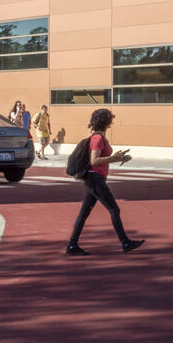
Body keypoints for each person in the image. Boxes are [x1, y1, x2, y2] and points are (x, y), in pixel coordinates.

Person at [66, 108, 144, 255]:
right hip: (95, 178)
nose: (112, 122)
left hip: (94, 178)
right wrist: (114, 158)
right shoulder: (98, 139)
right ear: (107, 122)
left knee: (84, 213)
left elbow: (100, 161)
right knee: (114, 209)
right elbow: (94, 160)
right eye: (110, 120)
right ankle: (125, 242)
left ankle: (72, 245)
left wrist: (118, 158)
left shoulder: (98, 137)